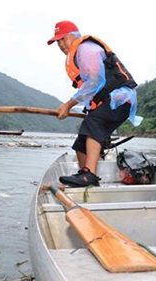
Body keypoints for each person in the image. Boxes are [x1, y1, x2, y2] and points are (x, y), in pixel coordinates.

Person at [47, 20, 142, 187]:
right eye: (57, 42)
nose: (60, 45)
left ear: (73, 36)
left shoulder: (86, 49)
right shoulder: (78, 54)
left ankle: (88, 175)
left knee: (93, 122)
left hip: (120, 99)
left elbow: (95, 81)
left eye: (63, 39)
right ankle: (86, 177)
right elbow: (92, 90)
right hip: (110, 101)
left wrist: (68, 105)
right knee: (81, 140)